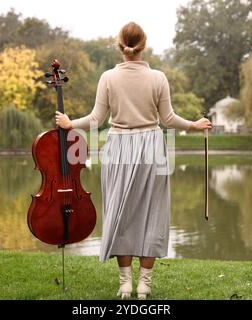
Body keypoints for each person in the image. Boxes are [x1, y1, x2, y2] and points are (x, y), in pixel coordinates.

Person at [55, 22, 212, 299]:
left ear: (120, 46)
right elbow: (168, 119)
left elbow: (95, 120)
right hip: (152, 145)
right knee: (153, 212)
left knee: (121, 212)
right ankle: (144, 284)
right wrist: (194, 125)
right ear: (143, 45)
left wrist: (69, 123)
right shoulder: (158, 78)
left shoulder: (107, 77)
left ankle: (125, 283)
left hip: (118, 146)